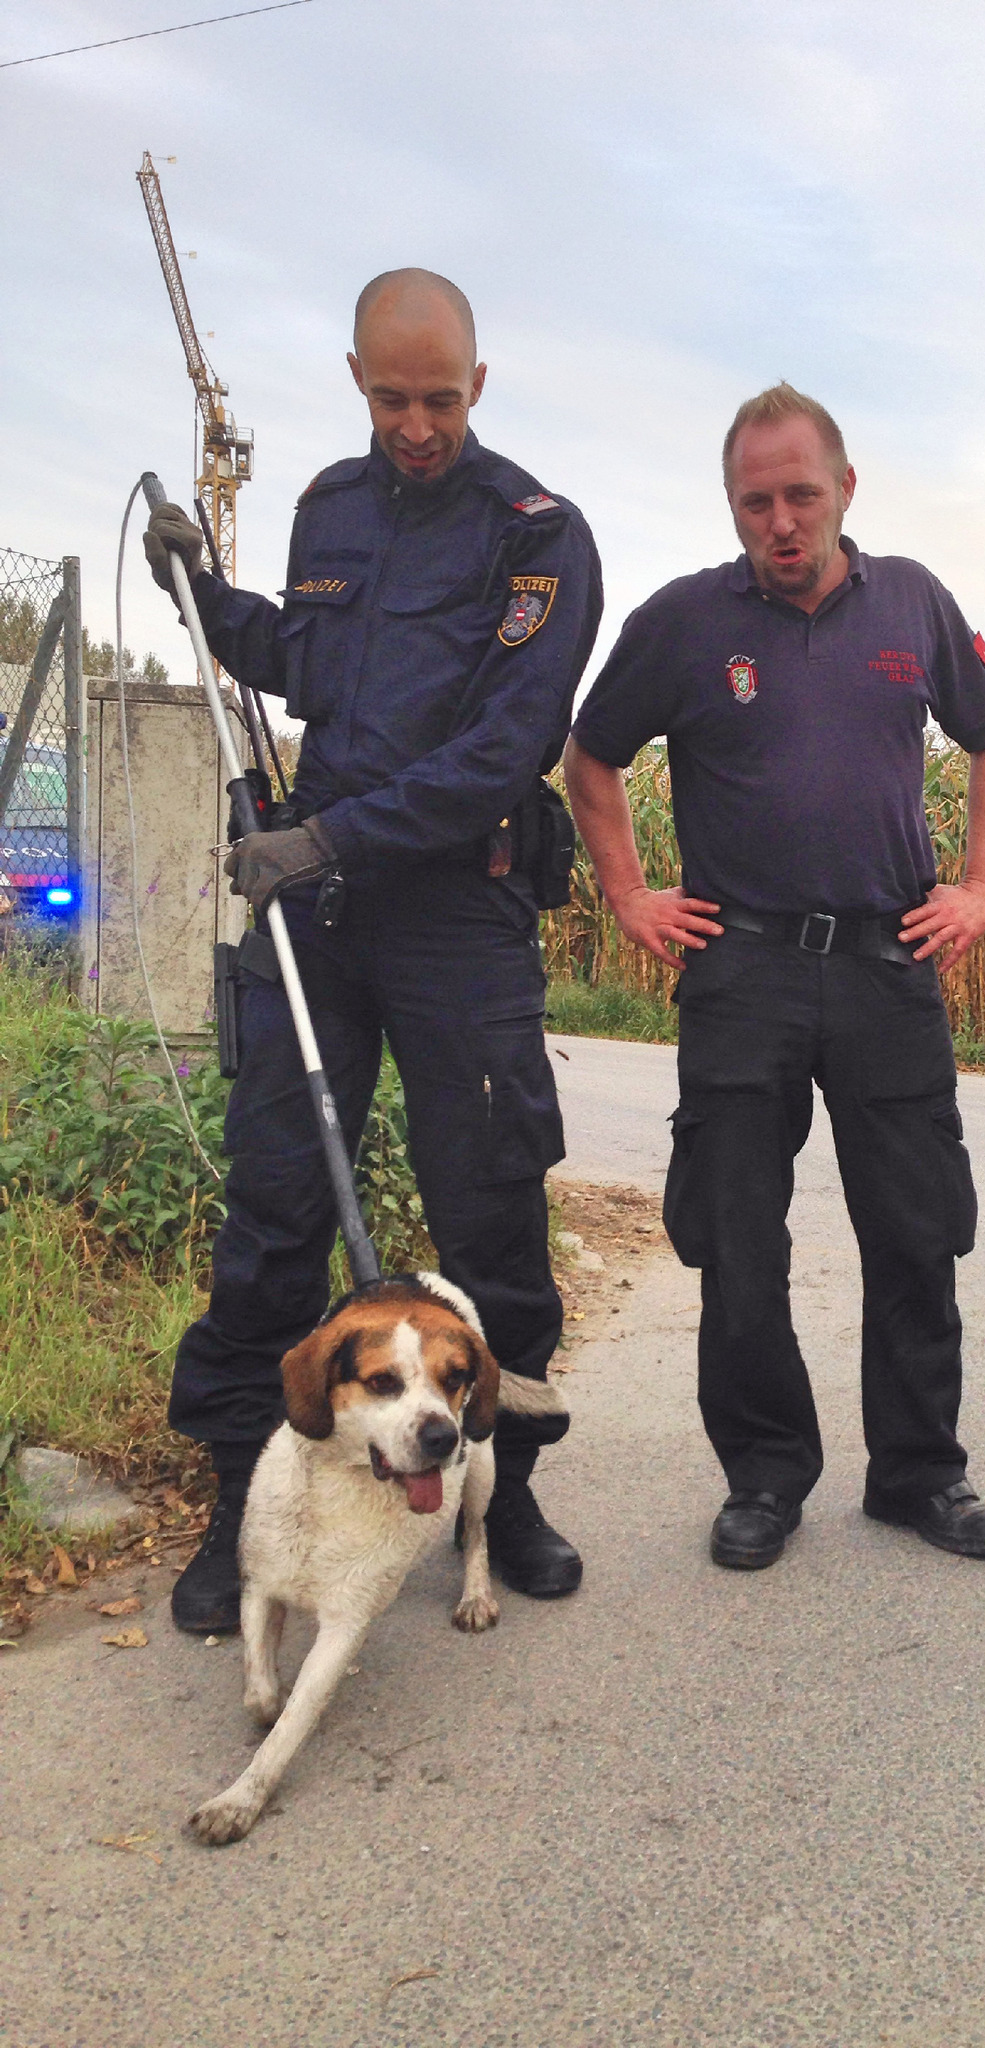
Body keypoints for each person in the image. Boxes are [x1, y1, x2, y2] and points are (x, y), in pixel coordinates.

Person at [143, 269, 602, 1633]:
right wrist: (202, 592)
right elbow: (310, 663)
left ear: (479, 382)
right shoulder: (329, 508)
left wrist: (328, 839)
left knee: (490, 1217)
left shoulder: (538, 535)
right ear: (356, 378)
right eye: (393, 397)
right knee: (275, 1209)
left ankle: (497, 1496)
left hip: (457, 914)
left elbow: (501, 752)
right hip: (321, 920)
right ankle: (245, 1504)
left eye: (441, 398)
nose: (417, 424)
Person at [563, 382, 985, 1570]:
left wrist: (980, 885)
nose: (780, 521)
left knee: (917, 1231)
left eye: (801, 496)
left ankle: (919, 1473)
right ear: (732, 504)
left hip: (888, 963)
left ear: (846, 488)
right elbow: (591, 753)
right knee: (737, 1238)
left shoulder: (914, 602)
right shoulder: (683, 621)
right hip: (744, 969)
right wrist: (630, 893)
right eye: (755, 501)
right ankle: (765, 1477)